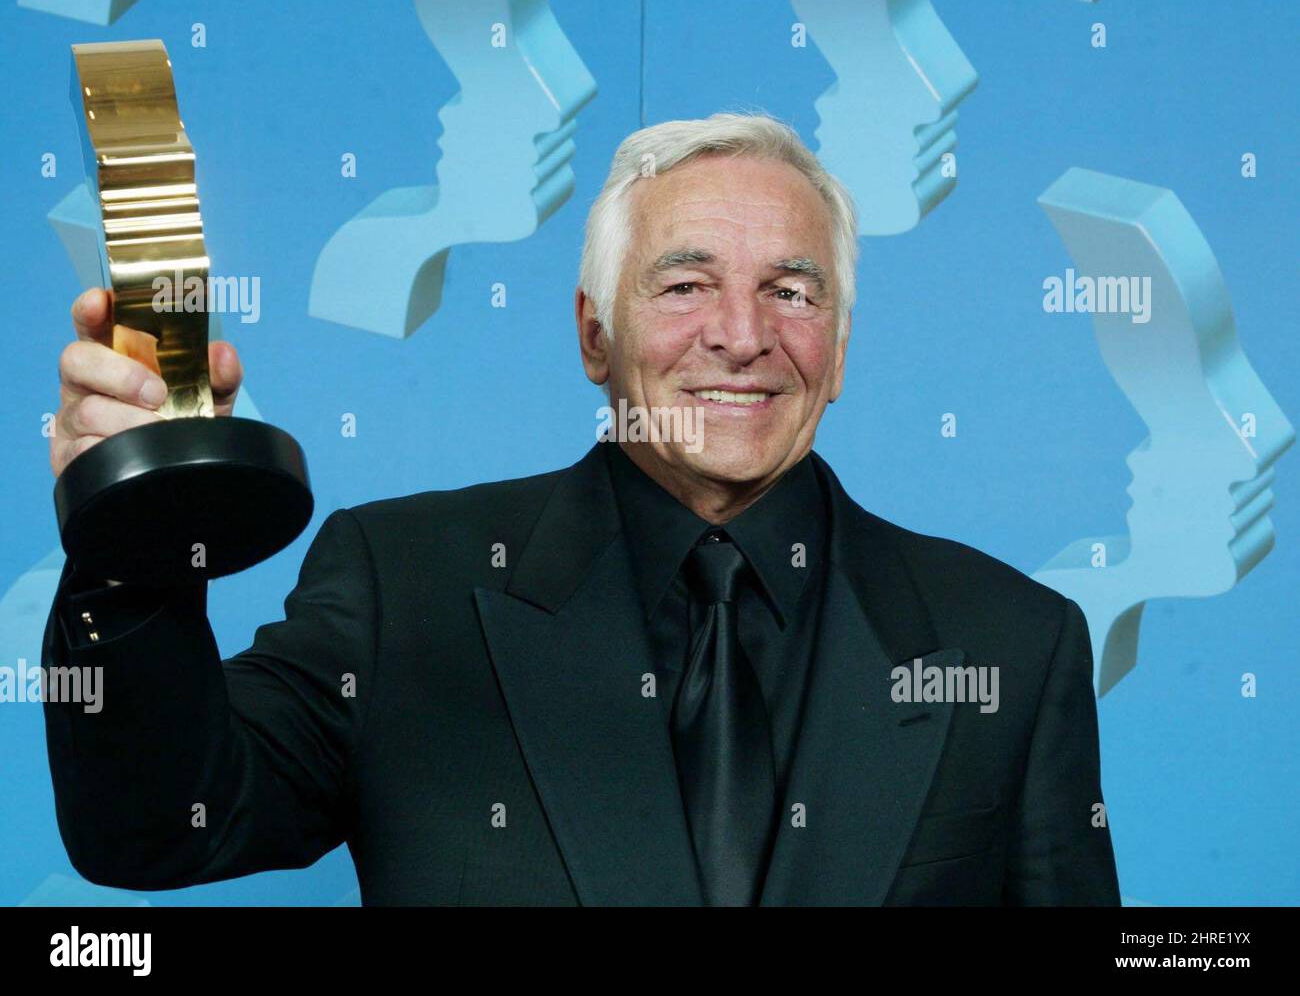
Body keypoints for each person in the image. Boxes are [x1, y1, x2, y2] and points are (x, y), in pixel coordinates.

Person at [43, 111, 1120, 906]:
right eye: (684, 284)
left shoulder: (1012, 643)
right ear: (593, 335)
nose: (743, 335)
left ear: (836, 350)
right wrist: (134, 537)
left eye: (791, 292)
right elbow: (156, 828)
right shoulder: (402, 589)